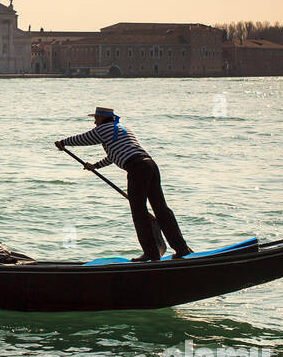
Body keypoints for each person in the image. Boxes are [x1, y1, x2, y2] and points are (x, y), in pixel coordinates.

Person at [56, 106, 192, 261]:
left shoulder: (103, 129)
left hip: (137, 168)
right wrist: (95, 166)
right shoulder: (121, 128)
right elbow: (115, 154)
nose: (94, 122)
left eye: (96, 119)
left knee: (139, 212)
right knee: (161, 209)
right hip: (150, 165)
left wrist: (63, 142)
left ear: (102, 118)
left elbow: (84, 138)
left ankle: (151, 253)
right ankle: (181, 249)